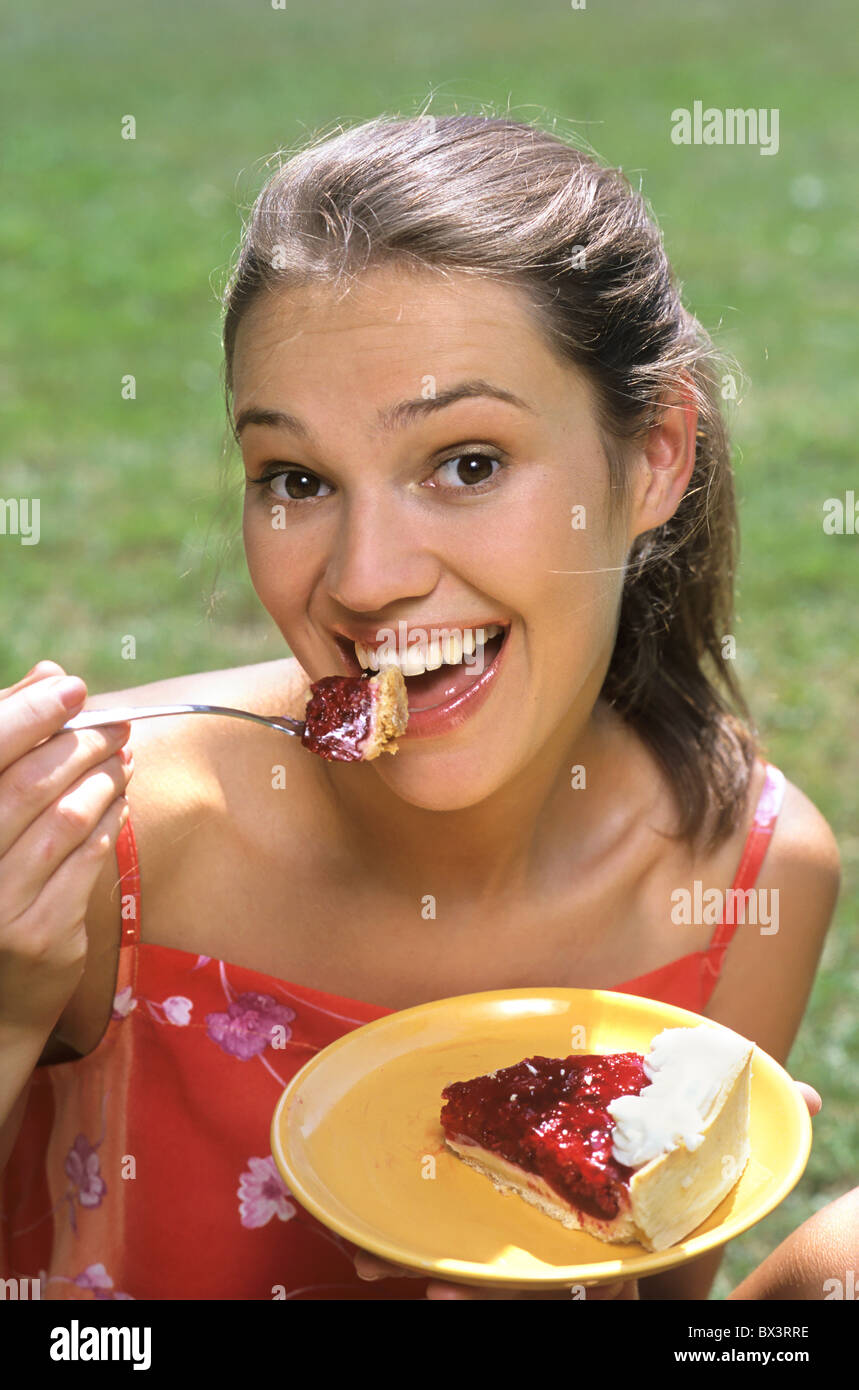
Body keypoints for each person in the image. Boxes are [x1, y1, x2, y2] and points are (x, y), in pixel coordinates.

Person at [0, 114, 841, 1301]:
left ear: (652, 454)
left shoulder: (746, 881)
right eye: (295, 479)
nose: (362, 576)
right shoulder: (95, 853)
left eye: (466, 462)